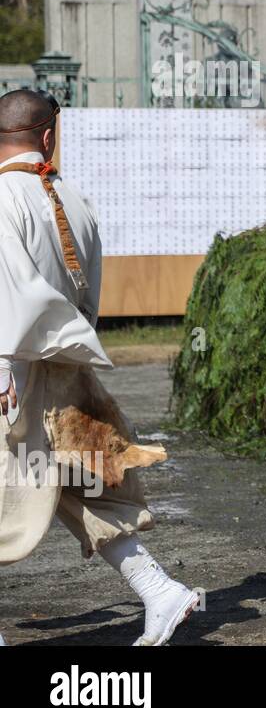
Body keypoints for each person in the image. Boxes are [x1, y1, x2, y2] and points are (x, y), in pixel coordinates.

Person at [0, 89, 202, 646]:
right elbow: (86, 302)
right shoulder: (75, 200)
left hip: (12, 381)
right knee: (82, 485)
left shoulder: (2, 198)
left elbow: (5, 298)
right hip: (66, 377)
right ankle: (160, 590)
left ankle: (161, 592)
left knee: (40, 487)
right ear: (47, 136)